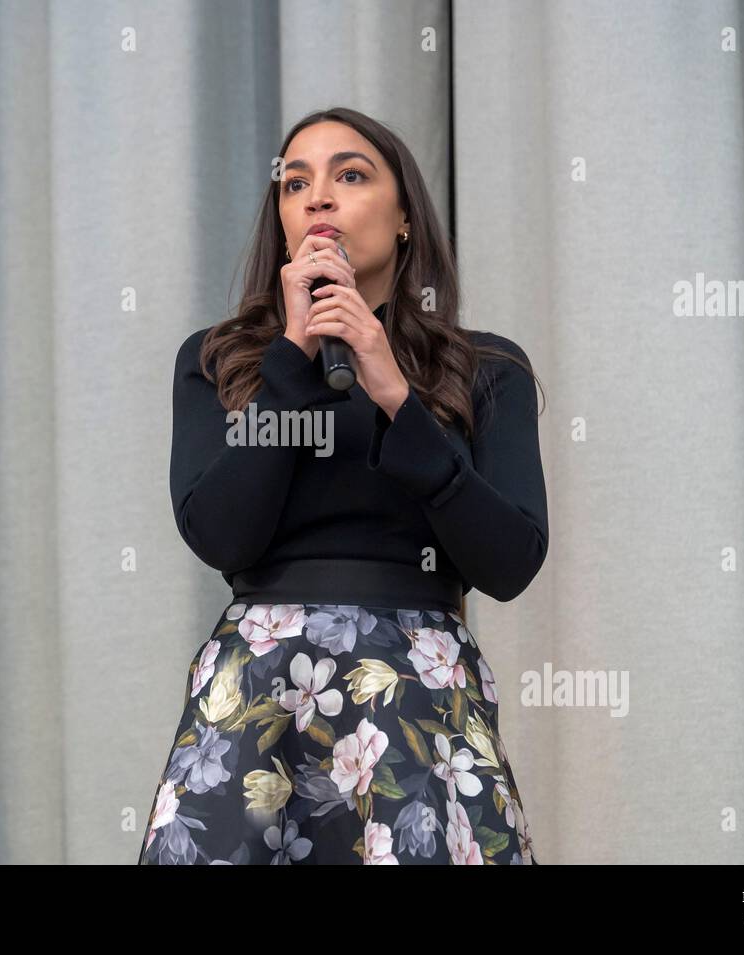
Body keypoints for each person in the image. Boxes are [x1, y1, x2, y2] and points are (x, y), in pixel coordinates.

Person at [137, 107, 548, 865]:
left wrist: (396, 394)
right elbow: (222, 535)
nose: (318, 197)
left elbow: (511, 561)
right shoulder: (219, 361)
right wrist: (291, 362)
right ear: (285, 223)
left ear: (402, 221)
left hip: (418, 696)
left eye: (350, 175)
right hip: (260, 697)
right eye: (296, 184)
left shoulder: (485, 368)